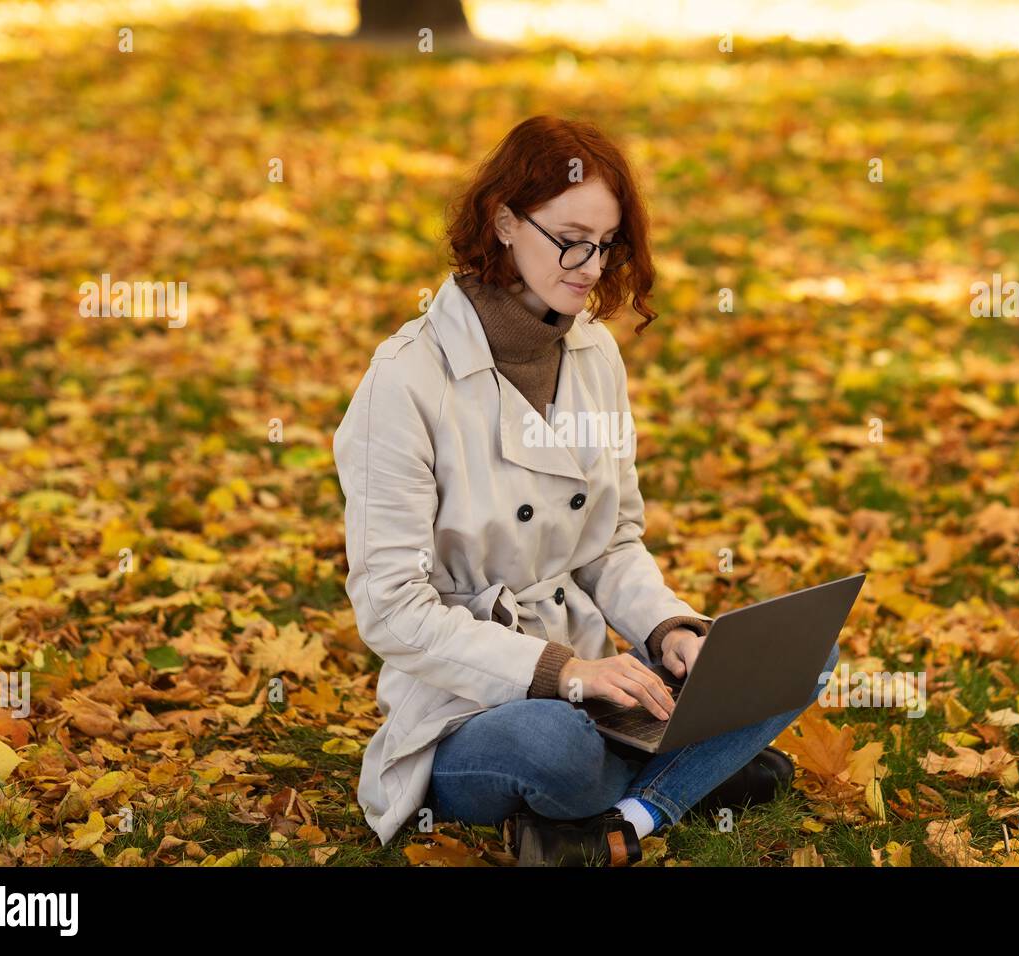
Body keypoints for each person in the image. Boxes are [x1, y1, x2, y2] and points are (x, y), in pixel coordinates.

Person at [332, 115, 839, 866]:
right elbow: (392, 610)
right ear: (504, 221)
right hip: (471, 703)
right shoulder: (405, 381)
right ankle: (692, 772)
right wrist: (561, 673)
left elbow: (611, 544)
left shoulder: (595, 353)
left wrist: (669, 631)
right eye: (570, 238)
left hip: (602, 680)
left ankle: (626, 818)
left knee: (803, 651)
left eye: (604, 244)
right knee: (558, 748)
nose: (590, 266)